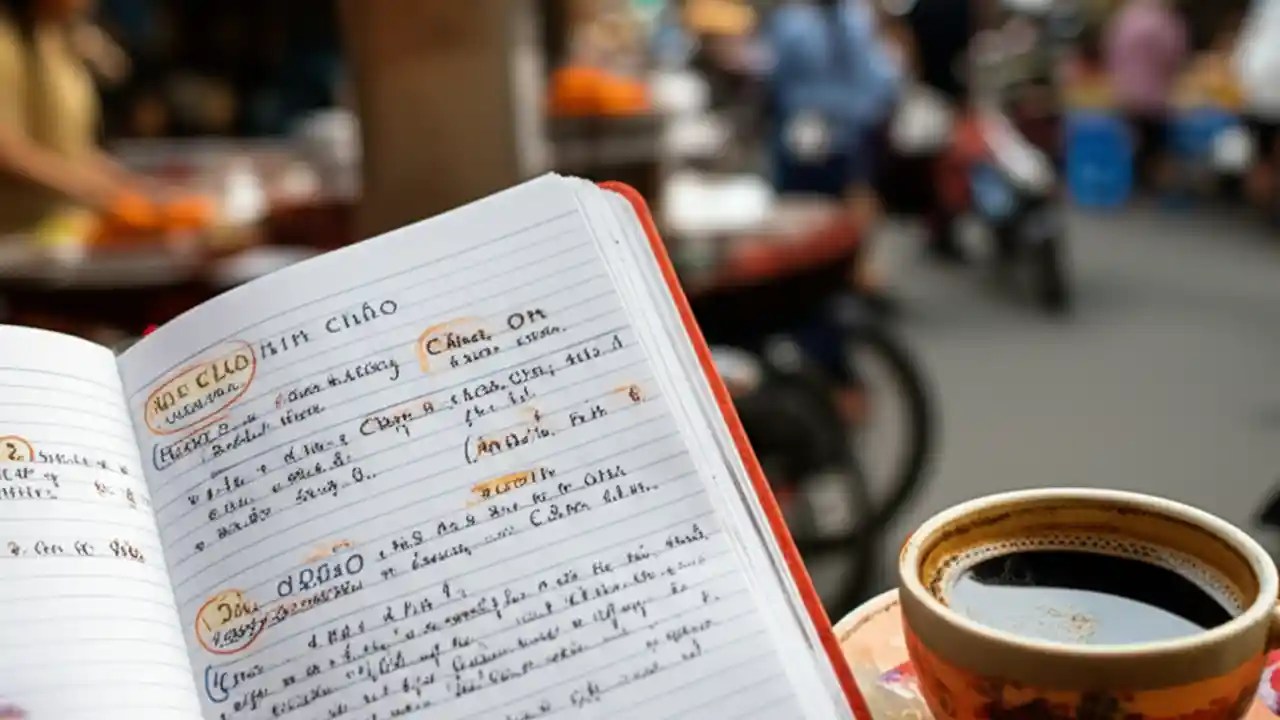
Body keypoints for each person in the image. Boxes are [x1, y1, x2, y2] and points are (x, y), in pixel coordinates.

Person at [0, 0, 154, 237]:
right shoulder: (6, 43)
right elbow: (8, 153)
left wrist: (132, 187)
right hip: (17, 235)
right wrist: (97, 191)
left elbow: (67, 147)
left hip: (64, 227)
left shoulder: (52, 38)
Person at [766, 0, 901, 217]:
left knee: (849, 219)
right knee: (798, 216)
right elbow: (776, 81)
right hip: (801, 141)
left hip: (851, 144)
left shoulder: (858, 18)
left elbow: (879, 79)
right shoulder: (791, 23)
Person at [1103, 0, 1188, 190]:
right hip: (1155, 95)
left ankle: (1132, 181)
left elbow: (1111, 52)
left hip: (1125, 92)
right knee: (1155, 144)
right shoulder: (1166, 21)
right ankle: (1152, 182)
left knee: (1132, 138)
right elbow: (1175, 55)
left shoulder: (1125, 17)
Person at [1234, 0, 1280, 214]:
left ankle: (1267, 205)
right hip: (1263, 95)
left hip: (1257, 95)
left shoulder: (1265, 9)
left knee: (1263, 157)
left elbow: (1245, 54)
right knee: (1266, 157)